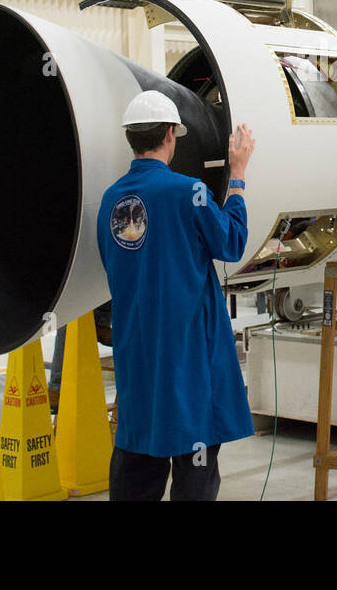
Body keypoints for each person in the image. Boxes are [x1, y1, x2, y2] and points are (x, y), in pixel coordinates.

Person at [97, 90, 256, 500]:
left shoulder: (110, 201)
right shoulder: (189, 192)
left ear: (130, 138)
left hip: (137, 354)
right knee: (195, 456)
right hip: (187, 353)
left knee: (139, 450)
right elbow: (231, 242)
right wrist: (237, 176)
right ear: (171, 134)